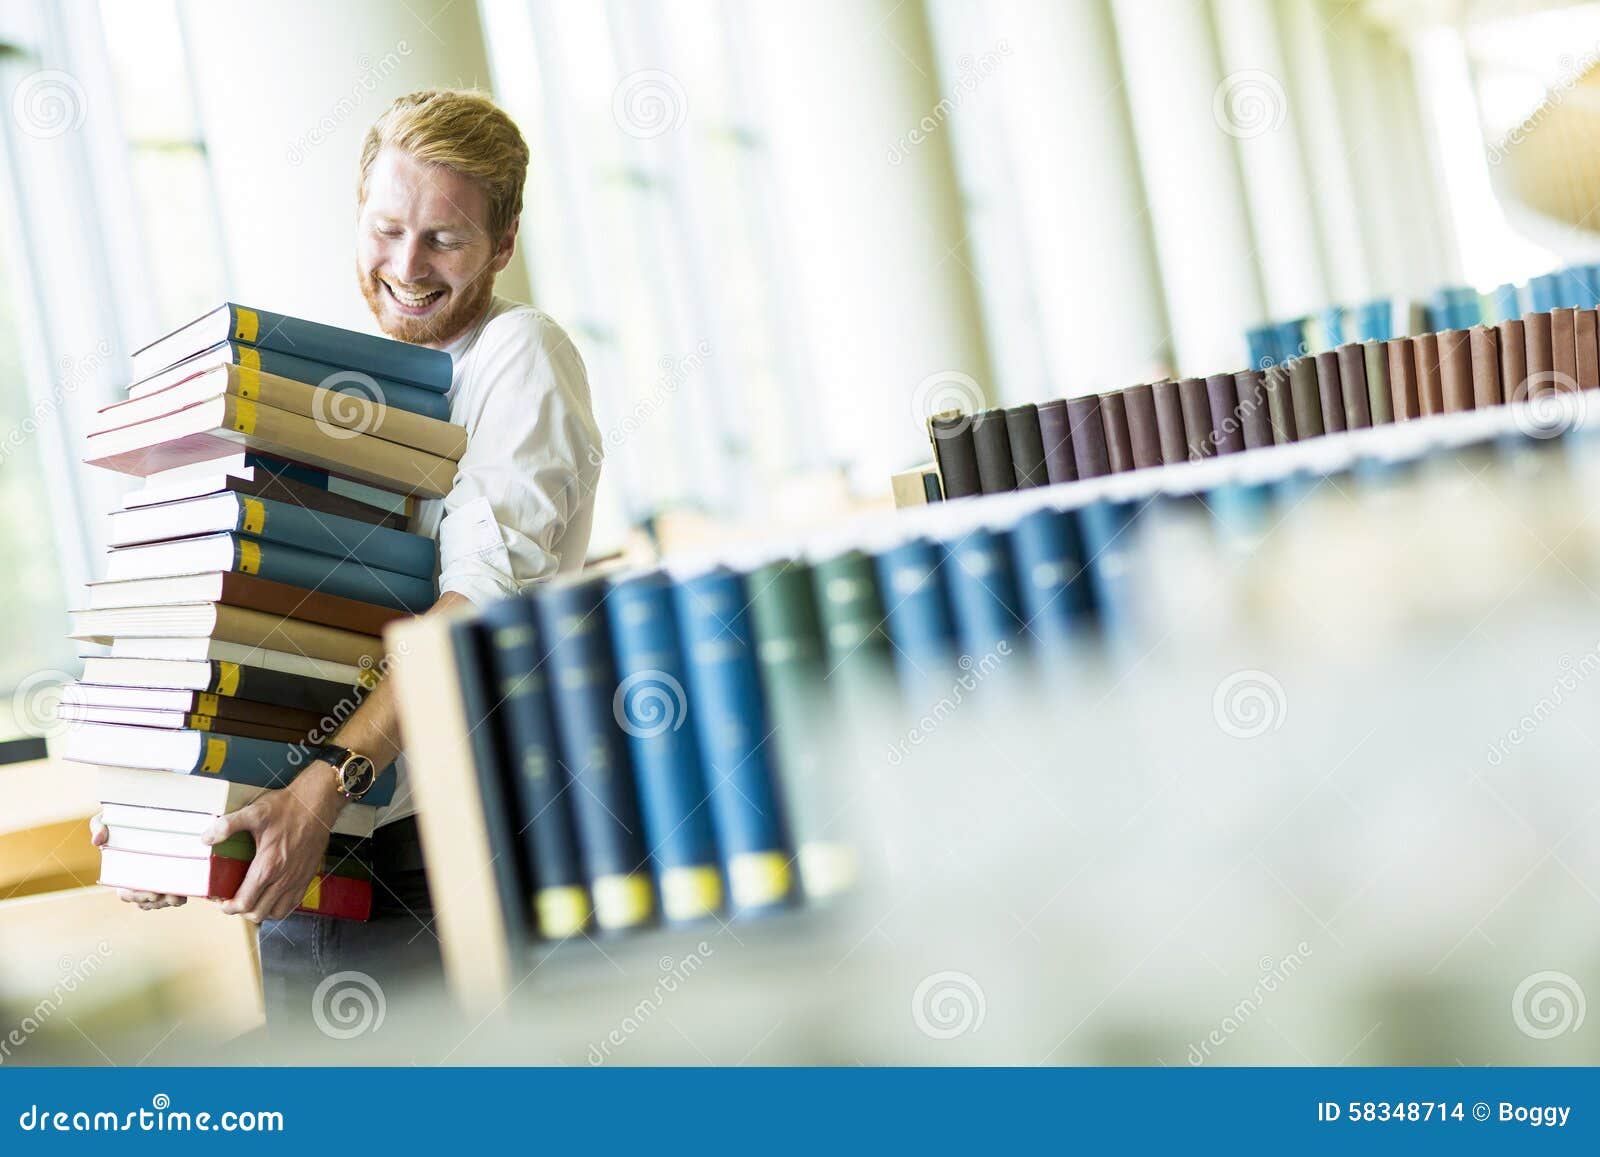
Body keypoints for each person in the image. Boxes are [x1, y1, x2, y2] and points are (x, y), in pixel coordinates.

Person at [91, 89, 602, 1031]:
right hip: (321, 850)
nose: (406, 266)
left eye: (444, 239)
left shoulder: (516, 355)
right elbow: (286, 622)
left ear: (504, 243)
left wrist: (326, 786)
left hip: (438, 855)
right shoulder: (364, 388)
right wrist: (169, 802)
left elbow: (466, 616)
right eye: (387, 228)